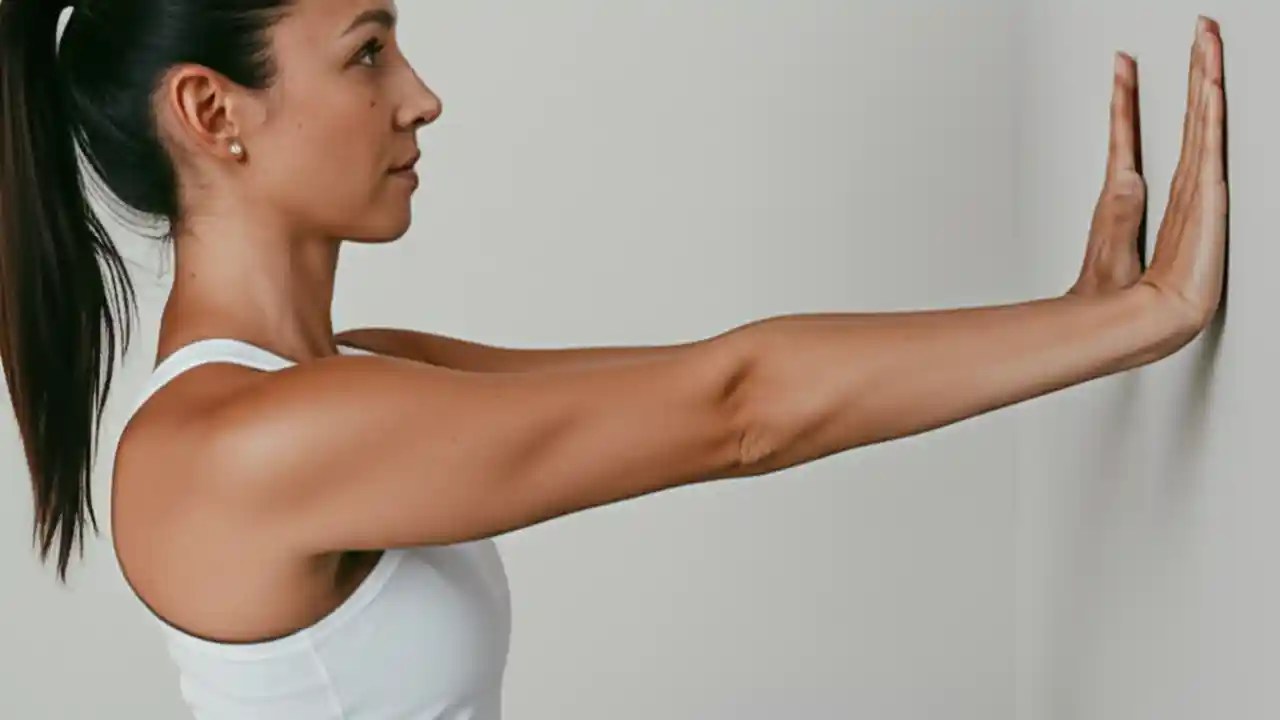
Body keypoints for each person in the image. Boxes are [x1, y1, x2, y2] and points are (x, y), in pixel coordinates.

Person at [0, 0, 1226, 716]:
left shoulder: (352, 381)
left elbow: (711, 384)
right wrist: (1145, 315)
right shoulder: (243, 447)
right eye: (368, 51)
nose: (420, 97)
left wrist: (1076, 319)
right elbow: (737, 410)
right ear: (214, 114)